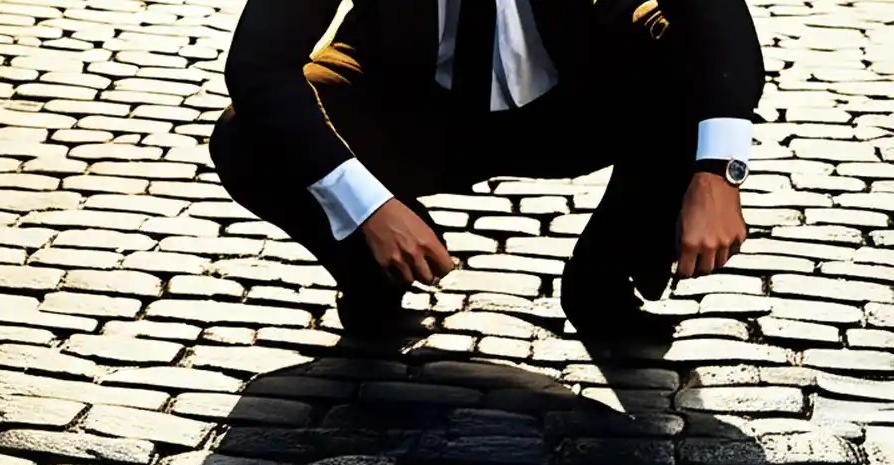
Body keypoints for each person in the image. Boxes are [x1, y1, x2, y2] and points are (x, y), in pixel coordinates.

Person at [209, 0, 765, 341]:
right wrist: (367, 208)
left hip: (577, 104)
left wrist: (718, 172)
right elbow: (259, 64)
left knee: (681, 45)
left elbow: (721, 26)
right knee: (247, 134)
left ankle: (608, 272)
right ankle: (372, 267)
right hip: (410, 113)